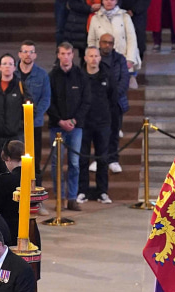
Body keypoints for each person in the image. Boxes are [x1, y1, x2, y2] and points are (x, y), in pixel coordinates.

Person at [48, 42, 88, 212]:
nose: (65, 56)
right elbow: (48, 101)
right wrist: (59, 120)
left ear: (73, 55)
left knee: (74, 162)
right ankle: (59, 198)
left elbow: (86, 100)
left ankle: (72, 197)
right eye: (62, 53)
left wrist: (74, 121)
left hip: (76, 127)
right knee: (57, 163)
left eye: (68, 53)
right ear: (58, 55)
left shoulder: (80, 75)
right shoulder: (51, 76)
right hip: (56, 126)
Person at [79, 46, 114, 204]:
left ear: (100, 58)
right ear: (85, 58)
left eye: (96, 56)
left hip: (103, 123)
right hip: (84, 123)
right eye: (90, 56)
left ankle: (102, 192)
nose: (93, 59)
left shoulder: (107, 75)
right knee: (83, 159)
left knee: (103, 158)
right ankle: (82, 191)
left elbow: (113, 99)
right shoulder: (79, 76)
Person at [16, 41, 52, 183]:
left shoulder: (42, 75)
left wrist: (33, 115)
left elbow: (46, 98)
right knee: (16, 158)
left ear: (35, 55)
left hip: (35, 123)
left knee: (34, 159)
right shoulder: (13, 73)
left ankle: (35, 194)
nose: (28, 54)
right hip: (15, 124)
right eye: (25, 51)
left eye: (31, 52)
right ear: (20, 54)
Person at [98, 34, 131, 175]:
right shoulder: (94, 58)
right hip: (98, 103)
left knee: (114, 132)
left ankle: (113, 159)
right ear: (100, 43)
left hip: (115, 102)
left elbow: (124, 79)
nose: (107, 45)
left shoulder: (119, 59)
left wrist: (112, 95)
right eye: (104, 42)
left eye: (110, 43)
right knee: (99, 133)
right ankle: (99, 158)